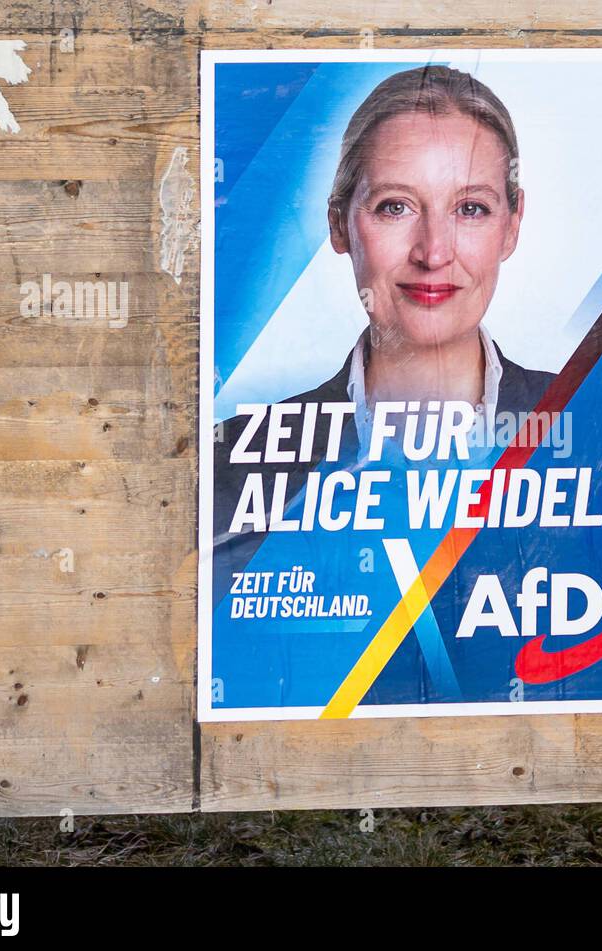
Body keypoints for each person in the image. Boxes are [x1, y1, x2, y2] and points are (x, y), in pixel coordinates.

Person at [213, 65, 555, 586]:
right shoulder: (236, 462)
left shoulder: (587, 421)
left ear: (512, 224)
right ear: (339, 224)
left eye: (470, 208)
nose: (434, 251)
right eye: (395, 207)